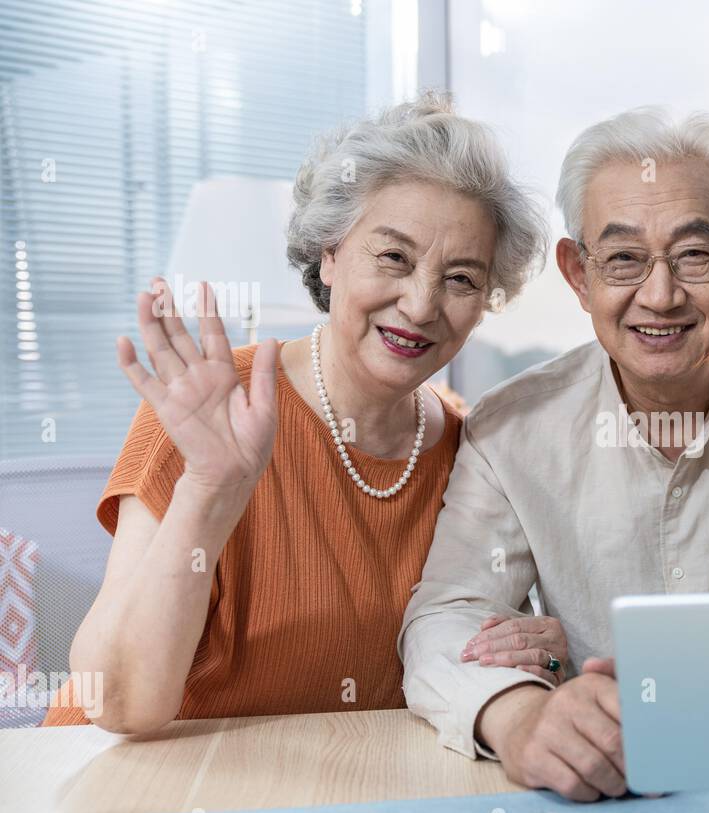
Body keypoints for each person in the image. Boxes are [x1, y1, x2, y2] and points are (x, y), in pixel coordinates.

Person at [398, 107, 709, 800]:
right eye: (623, 258)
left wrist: (571, 667)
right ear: (577, 274)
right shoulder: (512, 427)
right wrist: (522, 713)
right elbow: (444, 619)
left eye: (693, 254)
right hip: (593, 799)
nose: (660, 294)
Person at [45, 92, 548, 732]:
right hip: (141, 788)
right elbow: (114, 704)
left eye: (461, 278)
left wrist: (542, 659)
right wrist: (211, 489)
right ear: (329, 254)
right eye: (393, 256)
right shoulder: (212, 407)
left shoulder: (473, 448)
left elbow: (470, 662)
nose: (422, 305)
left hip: (330, 800)